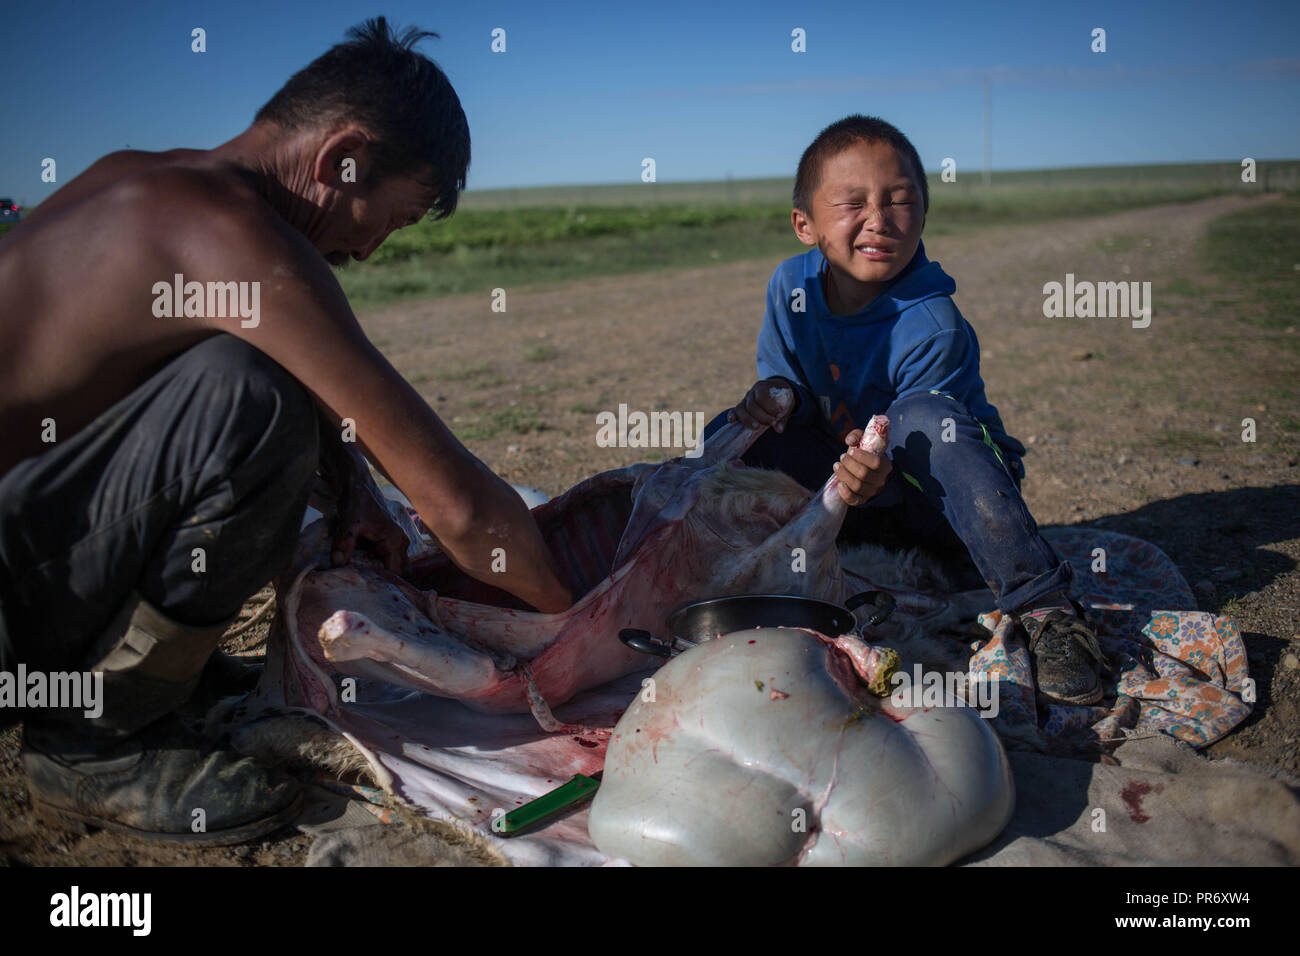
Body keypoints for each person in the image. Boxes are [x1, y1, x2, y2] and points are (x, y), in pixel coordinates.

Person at [0, 19, 572, 845]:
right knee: (255, 399)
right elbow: (461, 510)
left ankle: (155, 679)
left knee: (265, 389)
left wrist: (351, 480)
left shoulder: (134, 180)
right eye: (391, 218)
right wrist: (579, 618)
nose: (369, 250)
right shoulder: (233, 237)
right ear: (342, 157)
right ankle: (92, 741)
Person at [708, 114, 1106, 709]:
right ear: (805, 225)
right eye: (852, 203)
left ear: (923, 213)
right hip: (847, 489)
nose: (878, 220)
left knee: (923, 417)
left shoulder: (931, 323)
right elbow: (784, 384)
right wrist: (772, 399)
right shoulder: (790, 287)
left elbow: (909, 444)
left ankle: (1043, 606)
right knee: (734, 431)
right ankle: (703, 565)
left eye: (899, 201)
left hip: (936, 506)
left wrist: (865, 468)